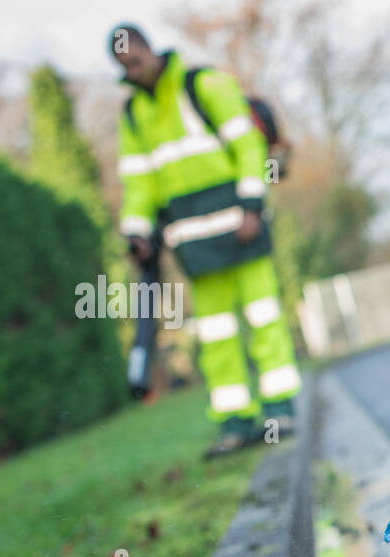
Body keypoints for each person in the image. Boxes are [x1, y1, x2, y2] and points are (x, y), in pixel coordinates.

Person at [111, 23, 300, 457]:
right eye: (124, 68)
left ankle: (279, 411)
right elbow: (138, 182)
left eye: (135, 61)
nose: (133, 71)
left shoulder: (206, 85)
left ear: (148, 49)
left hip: (240, 222)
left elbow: (250, 147)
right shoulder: (133, 115)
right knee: (216, 333)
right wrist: (136, 232)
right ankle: (235, 422)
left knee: (264, 316)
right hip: (193, 240)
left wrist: (252, 205)